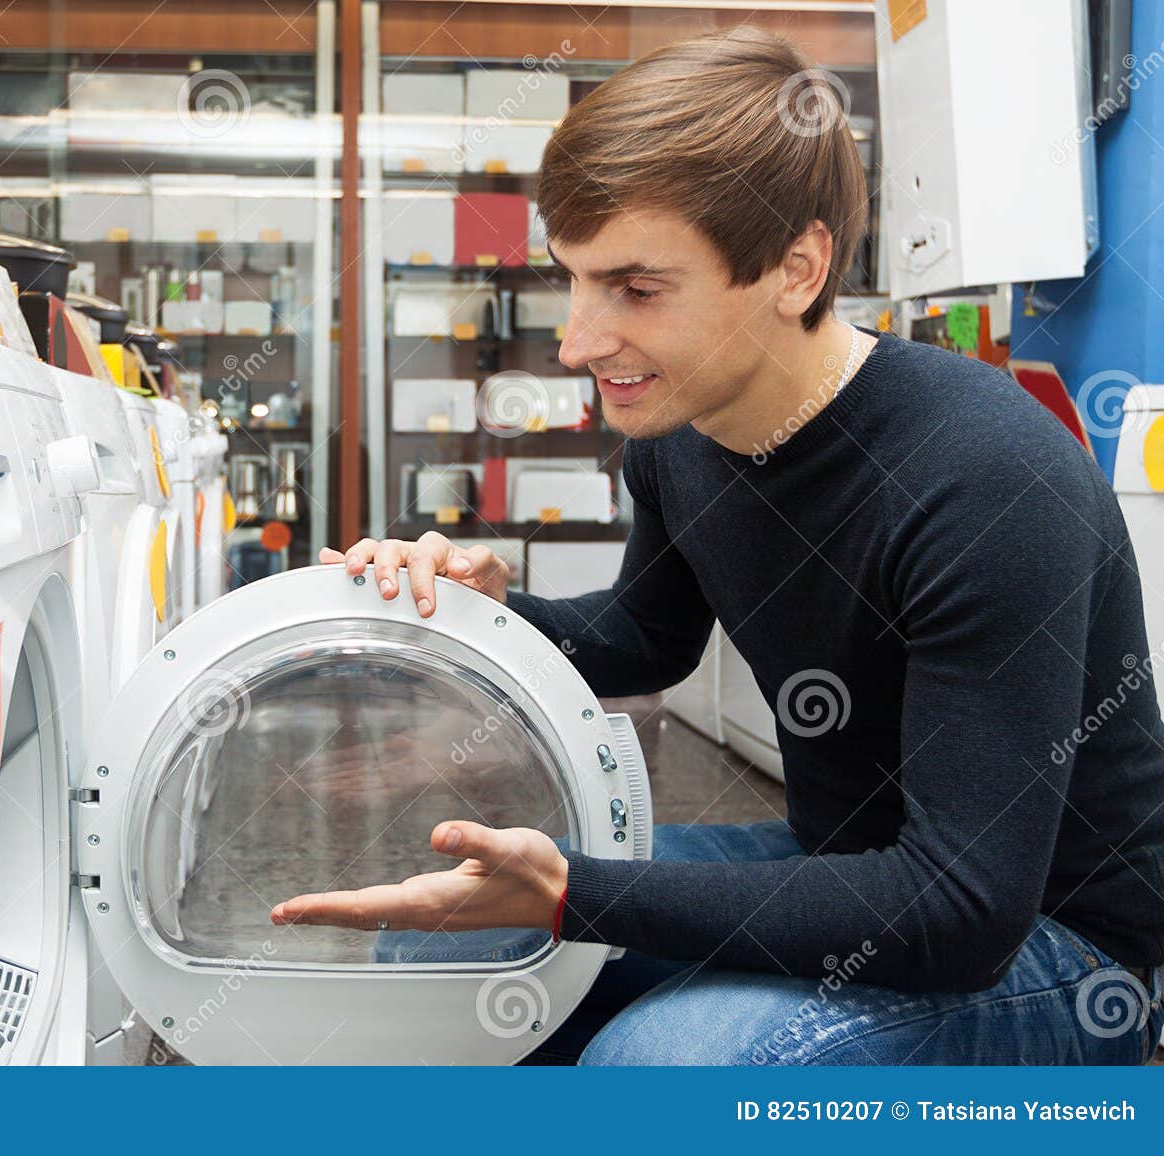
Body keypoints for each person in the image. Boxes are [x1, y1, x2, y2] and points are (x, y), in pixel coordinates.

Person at [270, 26, 1164, 1065]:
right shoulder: (685, 433)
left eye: (636, 290)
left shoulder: (985, 480)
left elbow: (959, 907)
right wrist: (478, 607)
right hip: (843, 855)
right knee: (442, 955)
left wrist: (577, 892)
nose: (575, 341)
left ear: (795, 269)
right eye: (574, 279)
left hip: (1052, 944)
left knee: (668, 1064)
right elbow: (644, 639)